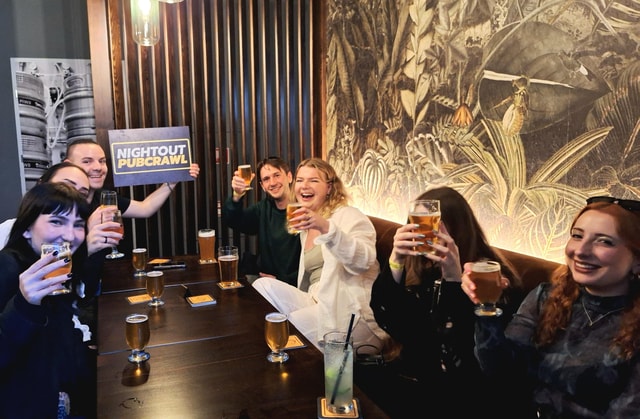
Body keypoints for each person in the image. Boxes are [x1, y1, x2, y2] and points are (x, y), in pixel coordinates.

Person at [461, 196, 640, 418]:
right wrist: (487, 305)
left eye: (604, 241)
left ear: (637, 260)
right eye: (577, 236)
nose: (581, 251)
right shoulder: (545, 296)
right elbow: (501, 370)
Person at [367, 186, 527, 418]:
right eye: (417, 224)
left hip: (463, 394)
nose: (424, 233)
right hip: (417, 376)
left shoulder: (488, 275)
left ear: (457, 229)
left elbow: (464, 351)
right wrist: (396, 259)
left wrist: (454, 278)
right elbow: (391, 321)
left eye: (434, 225)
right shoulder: (422, 265)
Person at [252, 158, 389, 354]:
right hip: (317, 300)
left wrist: (326, 227)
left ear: (329, 188)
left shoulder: (348, 215)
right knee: (262, 286)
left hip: (350, 312)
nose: (304, 186)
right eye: (300, 180)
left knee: (291, 328)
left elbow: (363, 261)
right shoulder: (306, 225)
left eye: (314, 180)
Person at [0, 182, 97, 418]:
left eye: (78, 225)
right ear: (26, 228)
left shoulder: (57, 270)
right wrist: (23, 305)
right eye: (56, 221)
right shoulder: (8, 266)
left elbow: (60, 339)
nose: (70, 235)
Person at [65, 138, 200, 216]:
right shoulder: (58, 202)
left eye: (102, 161)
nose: (98, 167)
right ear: (68, 165)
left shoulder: (105, 198)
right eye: (87, 161)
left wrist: (172, 181)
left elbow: (144, 209)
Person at [221, 156, 301, 285]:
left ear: (289, 177)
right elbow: (233, 220)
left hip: (297, 286)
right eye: (266, 179)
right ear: (262, 186)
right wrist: (237, 195)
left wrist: (282, 281)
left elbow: (314, 263)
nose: (272, 183)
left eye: (277, 175)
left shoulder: (303, 209)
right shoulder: (263, 208)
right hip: (266, 285)